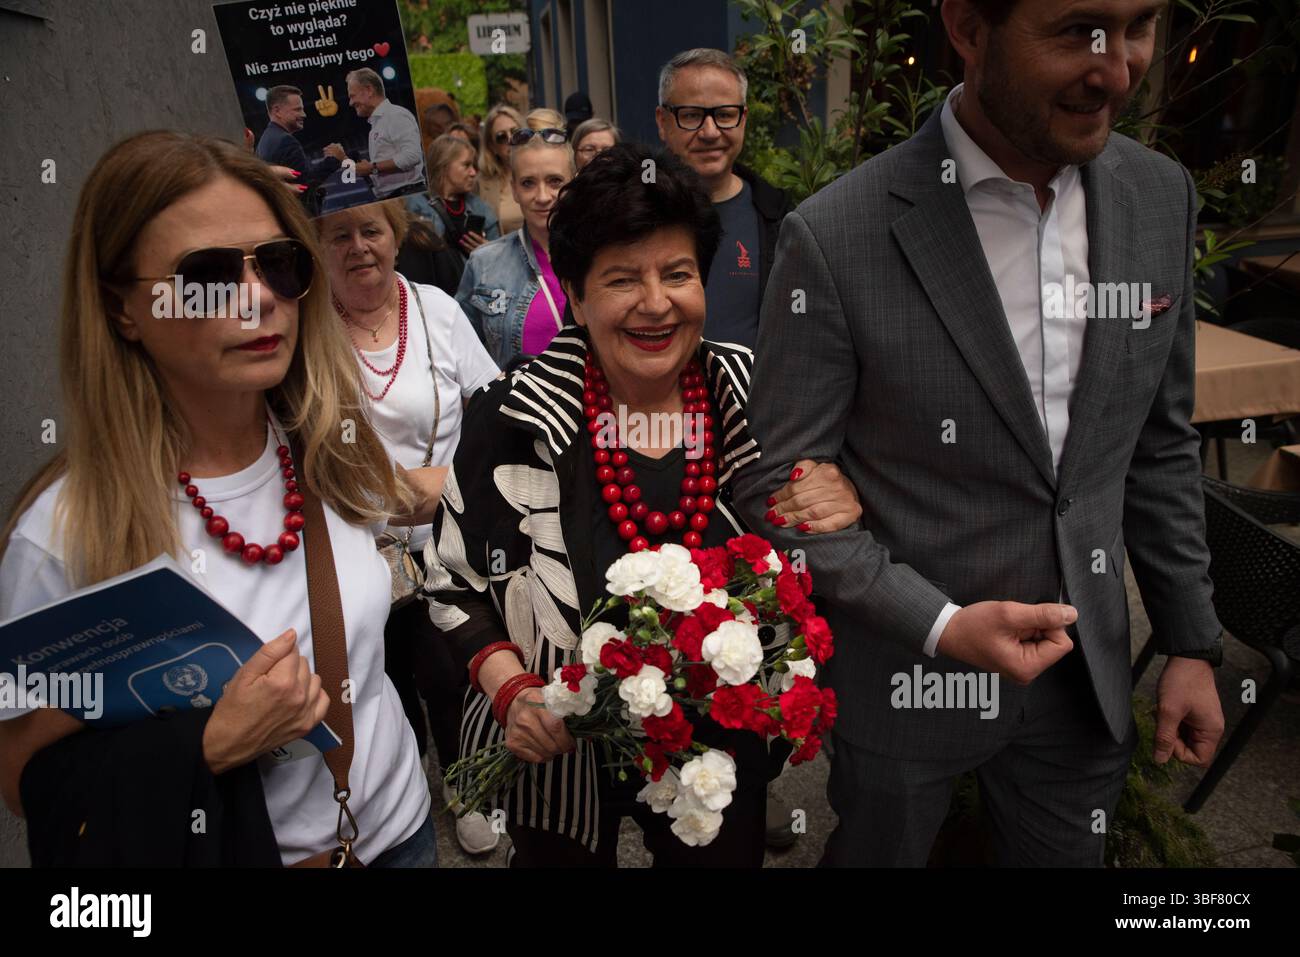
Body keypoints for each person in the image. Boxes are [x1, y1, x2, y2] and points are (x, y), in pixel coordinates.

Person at [734, 0, 1226, 867]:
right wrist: (940, 623)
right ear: (967, 26)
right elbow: (780, 490)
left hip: (1087, 688)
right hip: (906, 684)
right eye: (1077, 30)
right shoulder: (837, 235)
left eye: (1140, 25)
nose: (1115, 69)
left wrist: (1189, 640)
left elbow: (1156, 443)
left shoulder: (1159, 197)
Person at [0, 131, 442, 867]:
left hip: (401, 836)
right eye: (206, 273)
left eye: (279, 263)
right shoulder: (67, 530)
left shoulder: (325, 443)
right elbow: (21, 779)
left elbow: (408, 495)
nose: (260, 296)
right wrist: (208, 744)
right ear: (122, 310)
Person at [423, 143, 864, 867]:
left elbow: (824, 512)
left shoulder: (759, 398)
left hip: (718, 750)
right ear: (574, 292)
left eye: (678, 274)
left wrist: (845, 490)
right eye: (622, 279)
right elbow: (450, 578)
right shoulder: (510, 415)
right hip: (558, 760)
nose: (656, 303)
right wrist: (511, 690)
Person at [315, 198, 502, 855]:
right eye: (339, 235)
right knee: (381, 679)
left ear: (395, 237)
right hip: (354, 548)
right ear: (317, 246)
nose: (359, 246)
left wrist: (449, 481)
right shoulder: (306, 324)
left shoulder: (437, 309)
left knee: (451, 674)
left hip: (445, 537)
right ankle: (400, 793)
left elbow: (492, 407)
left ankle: (469, 789)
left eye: (372, 230)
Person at [656, 49, 792, 350]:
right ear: (662, 122)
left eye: (724, 115)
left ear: (743, 119)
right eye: (691, 115)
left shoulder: (780, 220)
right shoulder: (626, 214)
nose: (709, 132)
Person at [453, 125, 573, 368]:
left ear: (574, 183)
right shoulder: (484, 265)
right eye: (528, 183)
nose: (542, 196)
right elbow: (460, 356)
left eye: (555, 181)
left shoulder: (602, 255)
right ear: (514, 189)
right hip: (515, 405)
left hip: (593, 403)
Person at [324, 67, 425, 200]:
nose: (350, 102)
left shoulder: (395, 115)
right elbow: (367, 171)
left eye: (352, 96)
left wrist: (373, 168)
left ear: (368, 90)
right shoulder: (377, 124)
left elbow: (412, 156)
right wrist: (343, 158)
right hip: (397, 197)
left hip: (409, 195)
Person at [409, 135, 500, 266]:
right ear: (444, 165)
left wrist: (487, 251)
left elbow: (500, 260)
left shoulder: (481, 208)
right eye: (466, 165)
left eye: (473, 165)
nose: (473, 172)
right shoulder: (415, 204)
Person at [255, 85, 340, 215]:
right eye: (298, 110)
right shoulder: (285, 141)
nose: (304, 115)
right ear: (277, 111)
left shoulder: (266, 140)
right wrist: (334, 159)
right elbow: (305, 183)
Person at [477, 103, 526, 235]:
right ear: (492, 147)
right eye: (501, 137)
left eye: (515, 132)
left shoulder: (544, 168)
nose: (510, 139)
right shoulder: (480, 184)